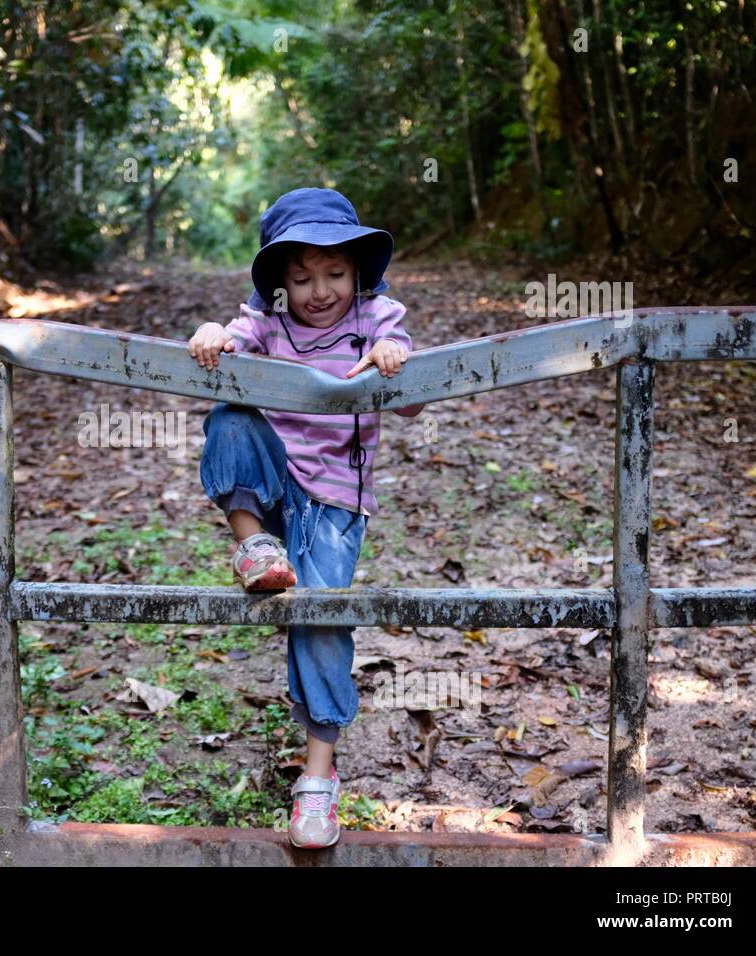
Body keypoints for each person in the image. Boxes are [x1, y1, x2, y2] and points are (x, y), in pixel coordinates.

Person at [186, 187, 426, 848]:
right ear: (279, 282)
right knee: (230, 413)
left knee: (320, 614)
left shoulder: (378, 316)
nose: (319, 291)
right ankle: (254, 544)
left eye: (335, 274)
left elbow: (409, 393)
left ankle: (318, 775)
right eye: (301, 277)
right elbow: (232, 339)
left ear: (359, 272)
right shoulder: (267, 319)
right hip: (274, 481)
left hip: (336, 499)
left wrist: (389, 361)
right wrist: (214, 336)